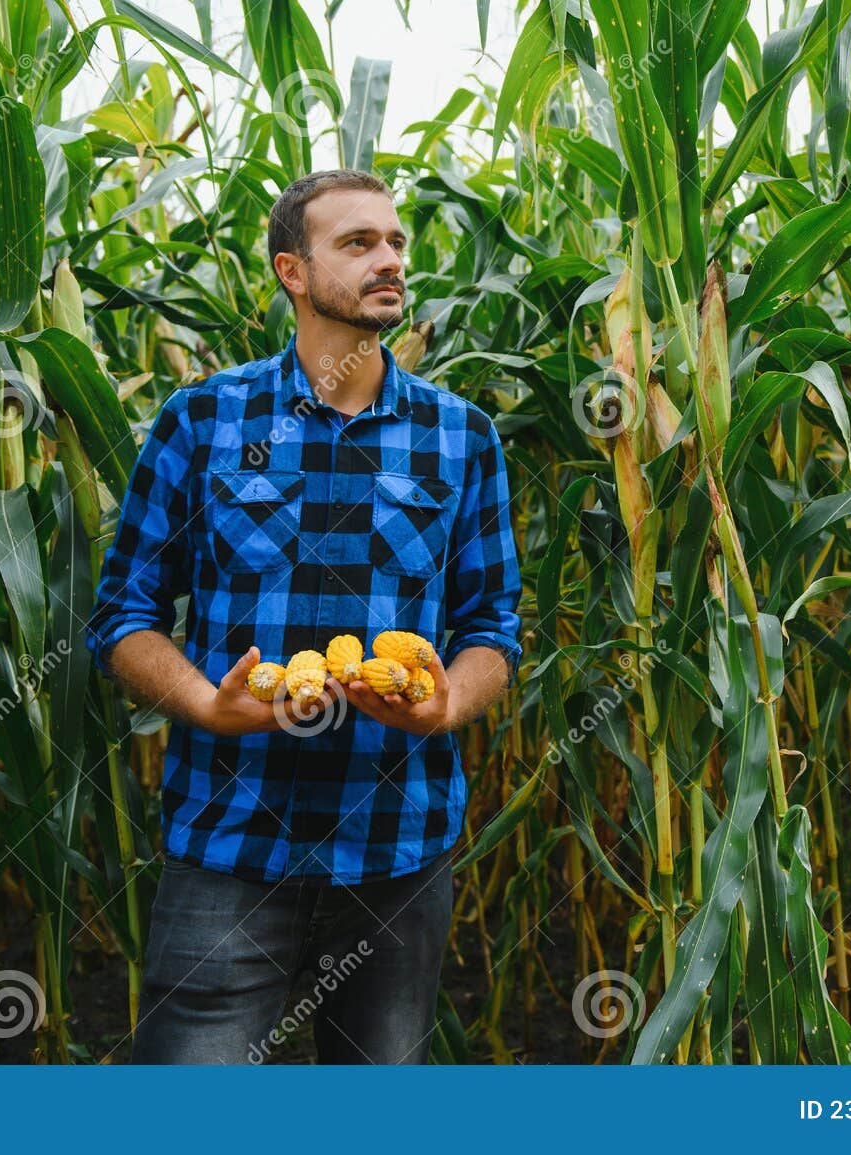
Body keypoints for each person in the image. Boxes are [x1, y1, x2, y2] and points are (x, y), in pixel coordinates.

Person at [83, 169, 523, 1064]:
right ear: (292, 269)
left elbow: (492, 628)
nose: (389, 259)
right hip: (229, 841)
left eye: (396, 242)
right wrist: (208, 703)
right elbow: (123, 611)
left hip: (398, 847)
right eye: (358, 244)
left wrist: (445, 705)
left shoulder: (460, 435)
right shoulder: (203, 420)